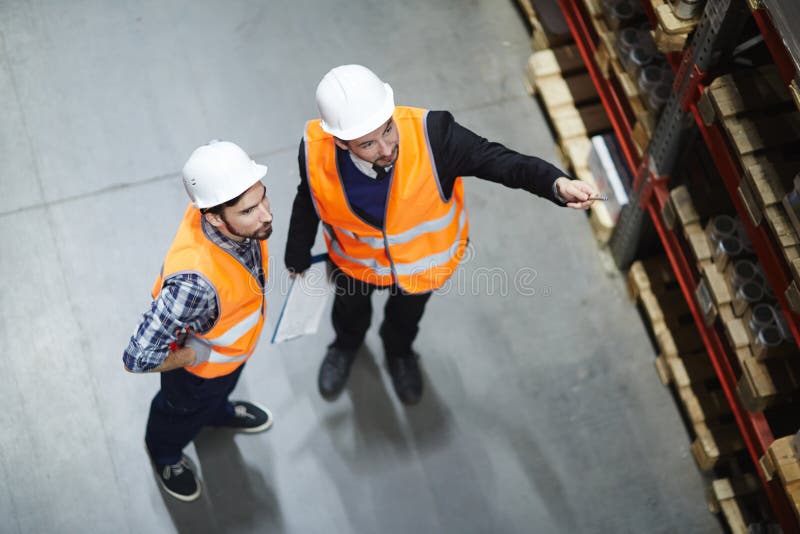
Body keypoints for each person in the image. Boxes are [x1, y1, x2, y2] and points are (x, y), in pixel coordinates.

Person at [285, 64, 599, 406]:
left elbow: (504, 162)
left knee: (406, 319)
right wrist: (297, 253)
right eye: (368, 144)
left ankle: (399, 353)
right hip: (356, 264)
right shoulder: (314, 152)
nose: (387, 148)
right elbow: (308, 198)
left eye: (388, 129)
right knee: (349, 311)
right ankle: (345, 346)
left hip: (423, 266)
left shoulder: (434, 135)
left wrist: (555, 183)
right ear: (342, 143)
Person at [123, 140, 275, 502]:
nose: (266, 215)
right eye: (249, 211)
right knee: (178, 414)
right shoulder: (195, 284)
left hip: (232, 356)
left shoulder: (224, 213)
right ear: (214, 218)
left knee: (215, 398)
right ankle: (165, 454)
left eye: (263, 198)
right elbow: (136, 356)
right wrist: (192, 358)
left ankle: (216, 414)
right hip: (198, 376)